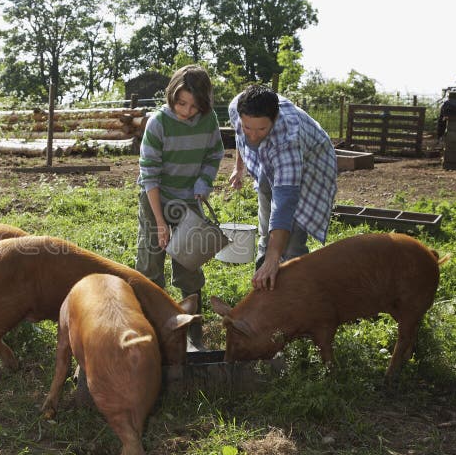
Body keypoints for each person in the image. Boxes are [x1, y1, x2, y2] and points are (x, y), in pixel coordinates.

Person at [136, 64, 224, 348]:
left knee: (189, 264)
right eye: (181, 103)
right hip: (156, 198)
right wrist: (161, 223)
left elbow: (214, 154)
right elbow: (149, 175)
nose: (186, 111)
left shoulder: (208, 121)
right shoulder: (158, 123)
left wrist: (204, 182)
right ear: (171, 95)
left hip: (189, 200)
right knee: (151, 263)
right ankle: (151, 326)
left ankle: (193, 329)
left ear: (204, 102)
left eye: (194, 105)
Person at [227, 84, 337, 292]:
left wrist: (274, 257)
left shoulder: (288, 141)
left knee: (292, 239)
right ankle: (263, 291)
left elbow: (285, 202)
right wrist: (238, 167)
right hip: (268, 161)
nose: (253, 135)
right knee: (266, 232)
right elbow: (240, 137)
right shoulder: (236, 108)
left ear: (274, 120)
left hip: (311, 164)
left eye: (261, 129)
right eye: (248, 127)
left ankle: (296, 296)